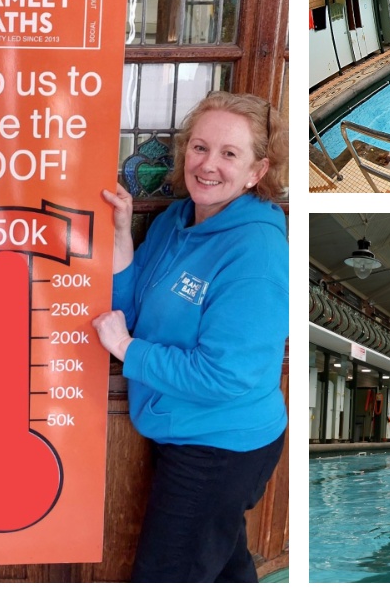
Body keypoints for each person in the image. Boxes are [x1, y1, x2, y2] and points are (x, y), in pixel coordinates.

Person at [91, 91, 288, 582]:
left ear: (256, 172)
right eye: (200, 148)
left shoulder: (257, 253)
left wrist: (127, 351)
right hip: (184, 429)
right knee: (224, 567)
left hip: (220, 447)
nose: (208, 165)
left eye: (229, 154)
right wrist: (119, 235)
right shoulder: (173, 222)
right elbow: (133, 307)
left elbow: (225, 375)